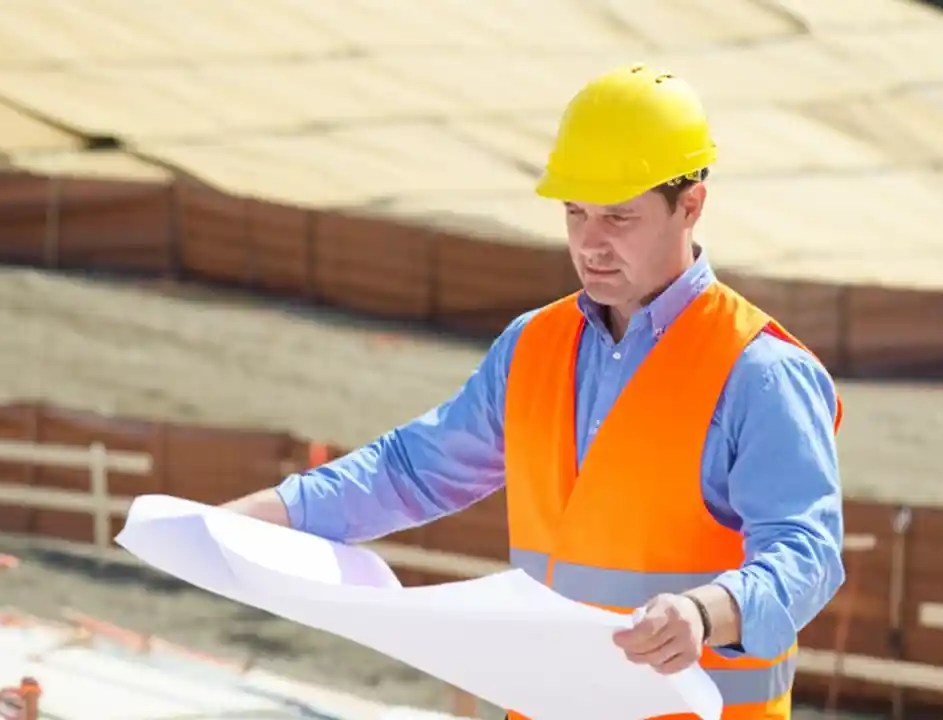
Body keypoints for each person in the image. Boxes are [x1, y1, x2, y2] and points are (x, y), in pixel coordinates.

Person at [223, 62, 845, 720]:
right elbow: (411, 471)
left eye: (618, 217)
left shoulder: (760, 372)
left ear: (690, 204)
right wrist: (263, 518)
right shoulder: (534, 346)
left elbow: (805, 554)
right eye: (575, 213)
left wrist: (705, 613)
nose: (590, 244)